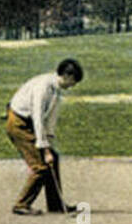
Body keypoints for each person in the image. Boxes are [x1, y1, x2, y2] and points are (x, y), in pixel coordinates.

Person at [6, 58, 83, 215]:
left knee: (52, 158)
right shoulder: (43, 87)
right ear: (67, 76)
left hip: (30, 123)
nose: (73, 85)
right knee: (40, 166)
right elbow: (38, 118)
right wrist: (44, 149)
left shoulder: (56, 90)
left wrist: (49, 146)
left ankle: (56, 205)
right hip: (19, 123)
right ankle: (21, 205)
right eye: (73, 81)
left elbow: (50, 121)